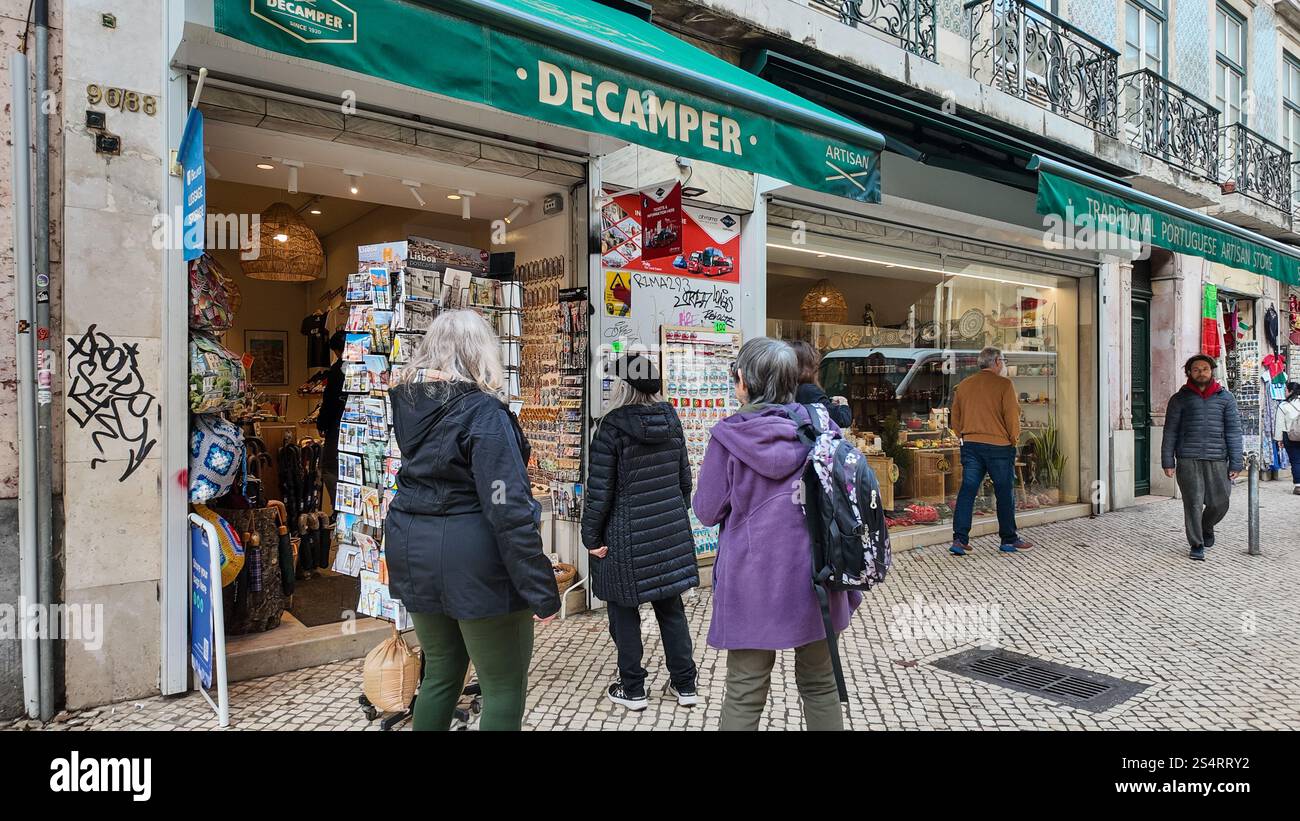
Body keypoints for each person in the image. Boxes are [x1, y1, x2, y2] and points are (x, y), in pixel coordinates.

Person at [385, 309, 560, 730]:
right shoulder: (484, 413)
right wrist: (541, 588)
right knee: (503, 685)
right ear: (482, 354)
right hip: (475, 561)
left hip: (414, 548)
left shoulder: (409, 406)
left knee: (441, 674)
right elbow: (508, 507)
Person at [693, 337, 861, 731]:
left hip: (753, 581)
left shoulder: (729, 438)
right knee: (820, 685)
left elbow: (706, 510)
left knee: (745, 689)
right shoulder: (822, 427)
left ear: (744, 381)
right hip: (819, 573)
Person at [582, 354, 699, 711]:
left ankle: (633, 688)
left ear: (622, 387)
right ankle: (685, 685)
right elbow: (684, 483)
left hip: (624, 539)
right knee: (671, 610)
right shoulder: (671, 419)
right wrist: (668, 518)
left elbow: (599, 494)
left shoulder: (610, 428)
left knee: (623, 611)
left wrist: (592, 539)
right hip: (668, 534)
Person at [949, 346, 1035, 556]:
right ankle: (1009, 539)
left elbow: (955, 418)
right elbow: (1012, 417)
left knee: (968, 490)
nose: (1003, 364)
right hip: (999, 446)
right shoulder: (1004, 385)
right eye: (1003, 361)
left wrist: (963, 436)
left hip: (971, 445)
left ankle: (960, 540)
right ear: (996, 362)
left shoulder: (964, 386)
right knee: (1004, 492)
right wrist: (1013, 440)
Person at [1161, 354, 1244, 561]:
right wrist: (1168, 460)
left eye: (1204, 369)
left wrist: (1236, 461)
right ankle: (1196, 543)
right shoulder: (1179, 399)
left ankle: (1207, 526)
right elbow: (1170, 431)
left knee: (1220, 502)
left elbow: (1234, 431)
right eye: (1196, 369)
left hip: (1217, 457)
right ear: (1189, 372)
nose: (1201, 373)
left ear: (1211, 371)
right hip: (1188, 457)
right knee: (1193, 503)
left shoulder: (1226, 398)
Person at [316, 330, 347, 517]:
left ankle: (339, 511)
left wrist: (322, 423)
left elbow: (330, 401)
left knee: (330, 469)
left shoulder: (337, 370)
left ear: (337, 350)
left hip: (337, 427)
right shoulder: (367, 365)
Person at [789, 340, 852, 429]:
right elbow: (841, 419)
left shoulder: (785, 390)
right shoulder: (808, 390)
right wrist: (844, 404)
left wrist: (829, 402)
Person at [1276, 382, 1300, 495]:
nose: (1284, 392)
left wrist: (1279, 439)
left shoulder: (1283, 405)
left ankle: (1298, 486)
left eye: (1286, 390)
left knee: (1295, 461)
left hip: (1290, 436)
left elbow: (1279, 424)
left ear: (1291, 391)